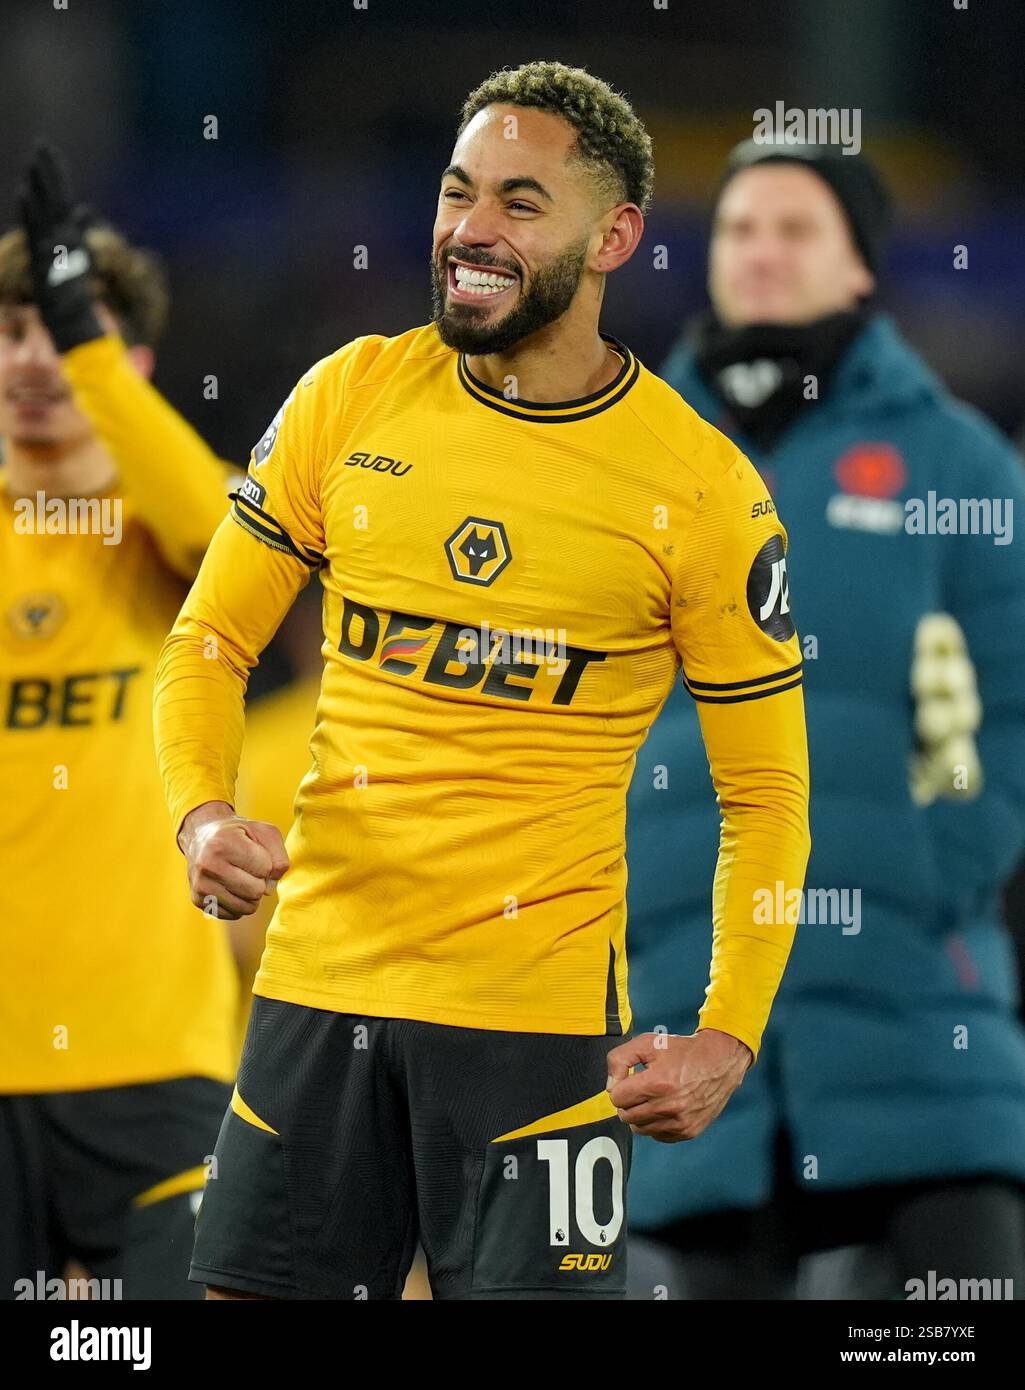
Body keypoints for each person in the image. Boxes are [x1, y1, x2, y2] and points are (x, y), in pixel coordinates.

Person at [153, 61, 810, 1302]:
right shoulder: (348, 395)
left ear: (613, 236)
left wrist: (729, 1026)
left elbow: (766, 792)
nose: (469, 229)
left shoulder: (703, 492)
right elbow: (205, 645)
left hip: (537, 1031)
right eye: (458, 193)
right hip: (313, 991)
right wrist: (199, 809)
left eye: (520, 202)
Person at [626, 140, 1025, 1299]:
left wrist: (933, 857)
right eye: (739, 228)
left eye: (795, 229)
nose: (759, 252)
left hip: (912, 988)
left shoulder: (953, 461)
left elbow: (1010, 697)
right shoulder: (631, 459)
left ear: (859, 267)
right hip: (685, 982)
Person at [0, 146, 241, 1300]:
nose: (35, 358)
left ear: (127, 362)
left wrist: (91, 359)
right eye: (12, 332)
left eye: (64, 331)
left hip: (156, 1062)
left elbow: (231, 543)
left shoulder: (167, 539)